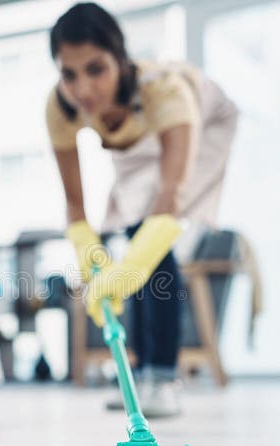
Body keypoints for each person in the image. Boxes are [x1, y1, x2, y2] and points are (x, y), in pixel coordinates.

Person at [46, 3, 239, 417]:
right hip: (137, 137)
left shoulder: (165, 90)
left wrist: (132, 267)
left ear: (120, 59)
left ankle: (163, 377)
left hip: (202, 124)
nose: (82, 89)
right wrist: (93, 262)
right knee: (135, 240)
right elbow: (76, 206)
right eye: (69, 73)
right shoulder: (62, 106)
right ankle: (137, 374)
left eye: (96, 69)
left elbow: (170, 197)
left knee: (150, 241)